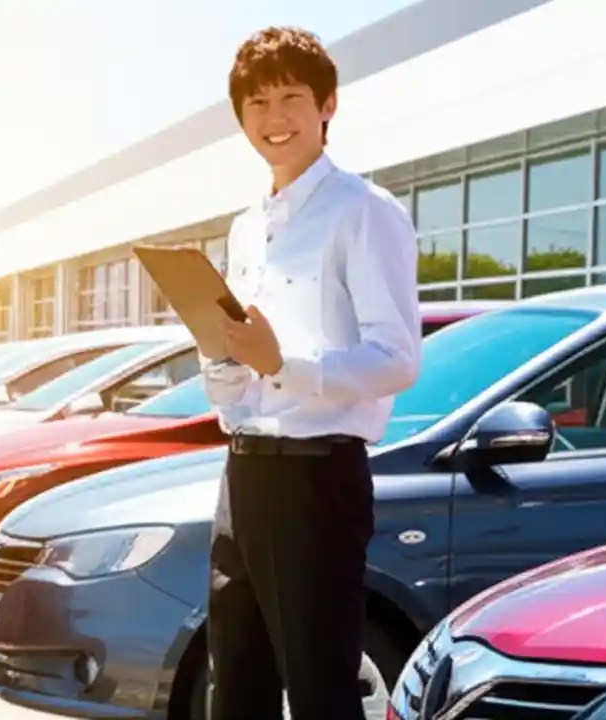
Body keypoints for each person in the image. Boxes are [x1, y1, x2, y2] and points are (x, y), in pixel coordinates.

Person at [202, 26, 421, 720]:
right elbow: (242, 371)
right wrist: (223, 359)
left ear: (327, 105)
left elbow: (398, 360)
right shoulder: (245, 227)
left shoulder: (364, 212)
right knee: (235, 687)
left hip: (318, 480)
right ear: (241, 118)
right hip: (243, 477)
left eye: (292, 97)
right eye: (258, 103)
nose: (276, 118)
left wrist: (282, 364)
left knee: (323, 691)